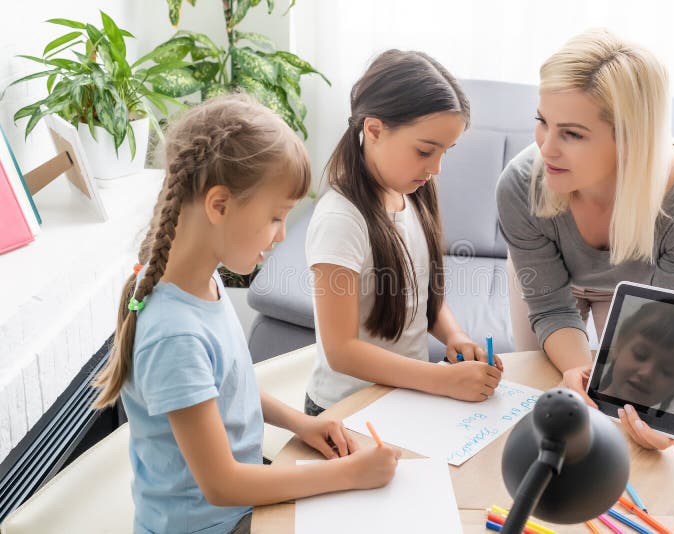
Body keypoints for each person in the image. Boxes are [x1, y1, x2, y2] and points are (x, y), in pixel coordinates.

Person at [93, 94, 400, 534]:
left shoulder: (204, 285)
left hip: (235, 508)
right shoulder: (174, 334)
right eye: (276, 217)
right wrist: (350, 475)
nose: (280, 236)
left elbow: (229, 387)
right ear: (220, 205)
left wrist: (305, 423)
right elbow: (222, 484)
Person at [495, 29, 674, 452]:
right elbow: (549, 305)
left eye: (573, 134)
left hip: (638, 297)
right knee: (545, 392)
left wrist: (654, 418)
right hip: (550, 282)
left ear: (632, 138)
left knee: (625, 420)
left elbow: (667, 325)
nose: (546, 148)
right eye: (542, 121)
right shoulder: (519, 185)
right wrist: (582, 374)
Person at [305, 50, 503, 417]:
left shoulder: (411, 192)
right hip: (346, 410)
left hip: (403, 398)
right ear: (374, 129)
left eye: (446, 151)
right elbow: (341, 350)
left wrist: (455, 337)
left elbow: (420, 294)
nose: (437, 168)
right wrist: (444, 381)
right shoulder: (341, 219)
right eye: (426, 151)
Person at [598, 302, 674, 412]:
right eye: (640, 355)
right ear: (619, 344)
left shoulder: (661, 432)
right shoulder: (581, 402)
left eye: (668, 371)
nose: (647, 374)